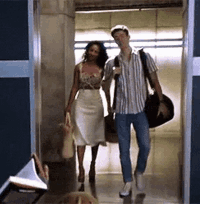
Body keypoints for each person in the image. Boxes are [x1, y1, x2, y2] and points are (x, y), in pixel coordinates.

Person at [103, 25, 169, 197]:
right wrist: (109, 105)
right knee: (123, 150)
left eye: (122, 35)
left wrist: (161, 101)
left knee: (145, 146)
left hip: (141, 110)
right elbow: (106, 84)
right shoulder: (112, 63)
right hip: (122, 112)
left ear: (128, 36)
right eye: (116, 37)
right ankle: (127, 182)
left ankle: (139, 171)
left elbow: (155, 81)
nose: (119, 39)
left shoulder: (144, 57)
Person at [65, 41, 108, 183]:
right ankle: (81, 167)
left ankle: (93, 164)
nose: (93, 53)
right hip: (81, 101)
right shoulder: (79, 67)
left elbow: (106, 88)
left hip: (96, 101)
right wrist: (69, 106)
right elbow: (74, 87)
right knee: (80, 136)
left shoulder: (103, 68)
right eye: (91, 50)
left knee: (95, 136)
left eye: (96, 51)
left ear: (99, 54)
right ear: (87, 50)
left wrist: (111, 106)